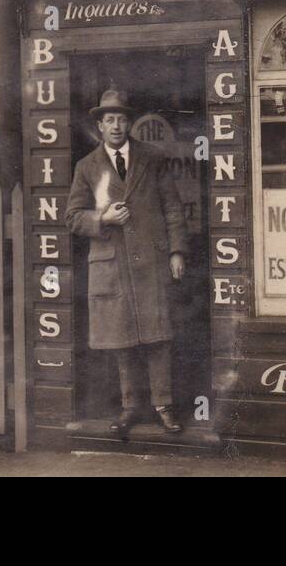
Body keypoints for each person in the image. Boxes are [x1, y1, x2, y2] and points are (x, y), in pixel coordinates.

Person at [66, 89, 187, 435]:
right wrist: (103, 219)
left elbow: (173, 208)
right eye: (109, 120)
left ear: (129, 123)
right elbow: (72, 218)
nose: (116, 126)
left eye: (121, 119)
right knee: (122, 342)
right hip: (113, 265)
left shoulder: (153, 157)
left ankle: (164, 406)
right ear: (100, 126)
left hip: (151, 260)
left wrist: (177, 252)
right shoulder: (86, 167)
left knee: (157, 336)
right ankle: (130, 407)